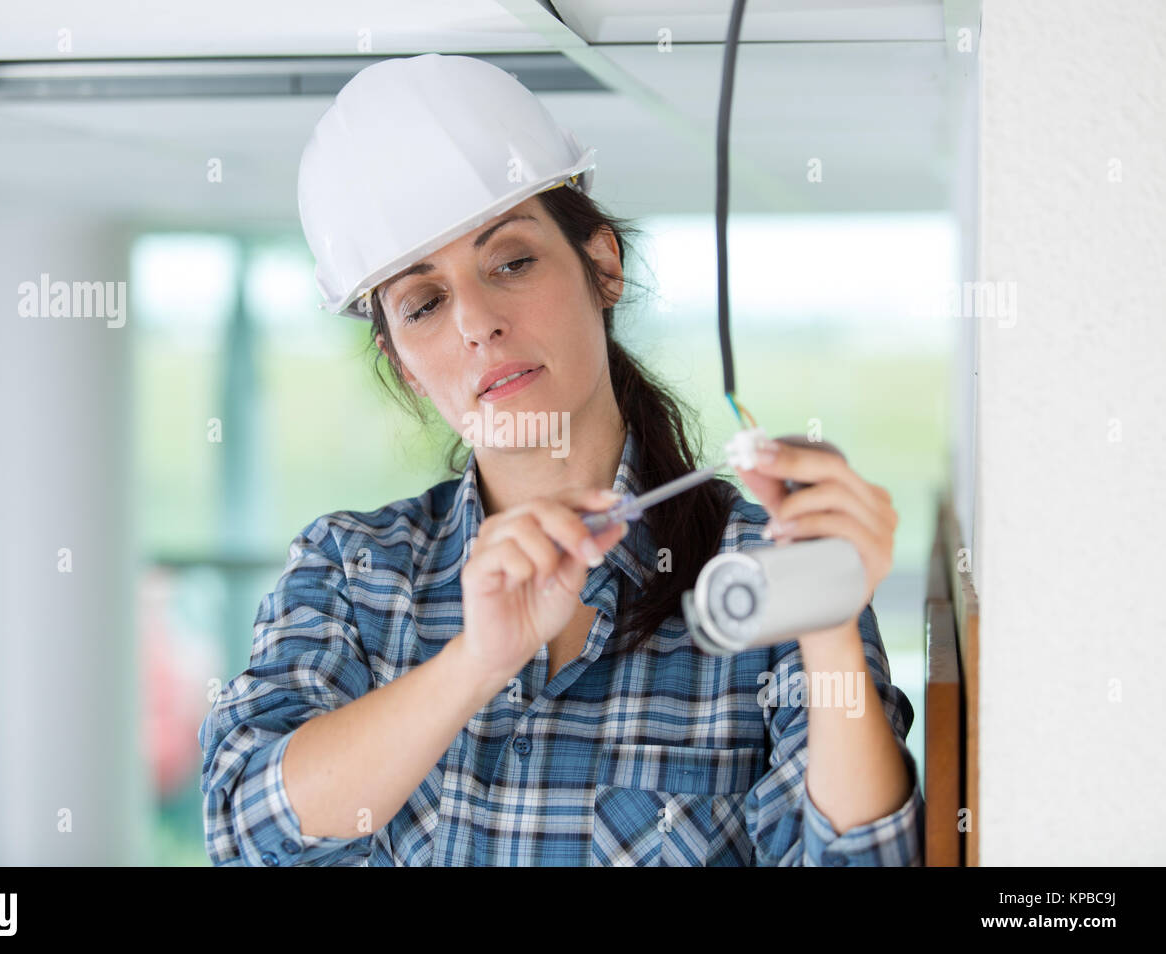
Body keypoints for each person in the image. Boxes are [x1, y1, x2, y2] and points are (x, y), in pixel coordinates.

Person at [198, 53, 924, 866]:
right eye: (424, 303)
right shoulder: (353, 571)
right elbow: (248, 830)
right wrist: (475, 663)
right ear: (404, 361)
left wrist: (826, 620)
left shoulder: (771, 561)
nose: (475, 320)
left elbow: (859, 859)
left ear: (602, 266)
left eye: (510, 261)